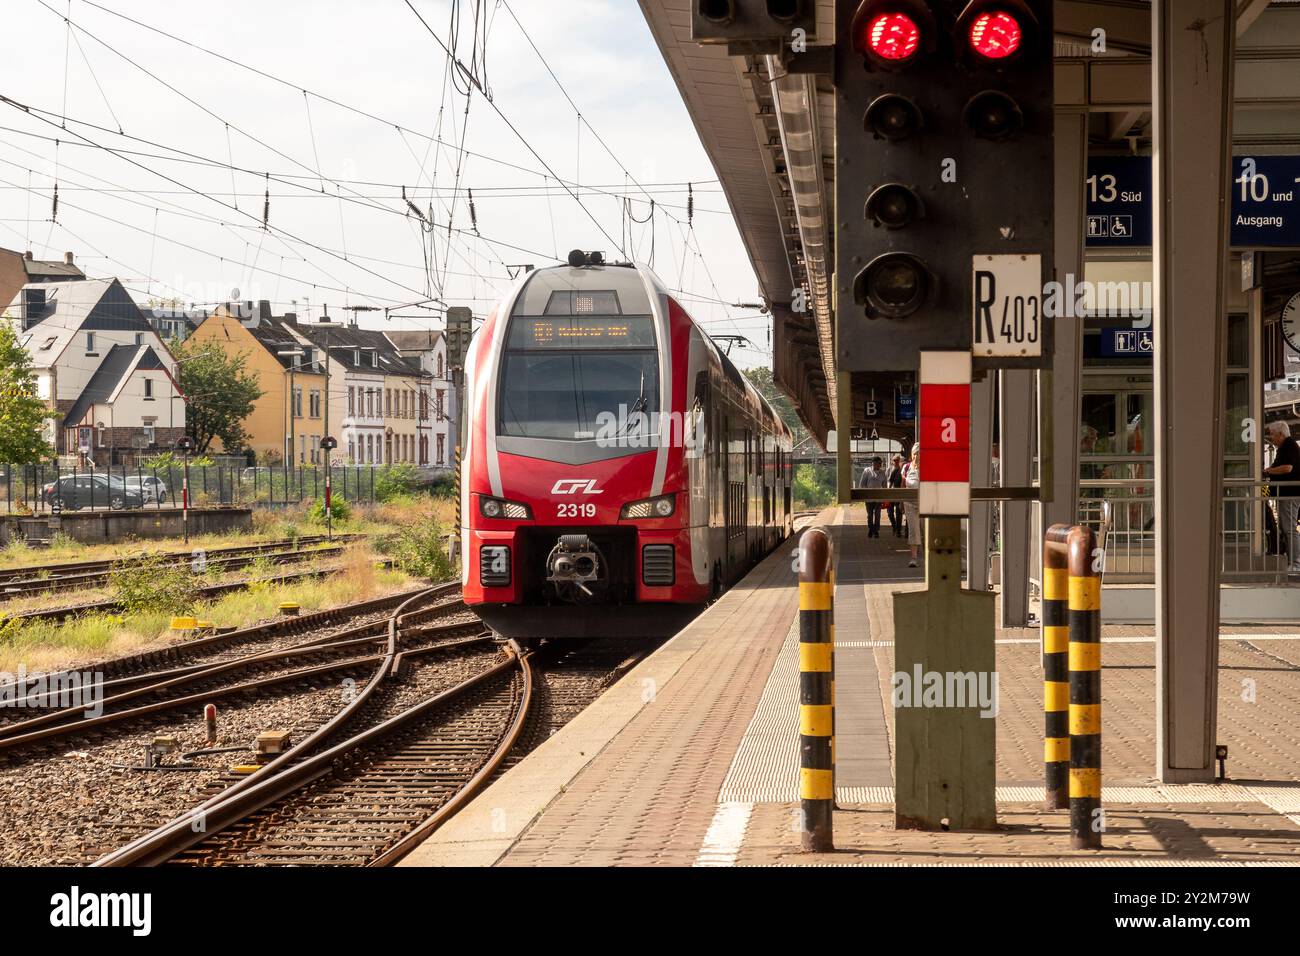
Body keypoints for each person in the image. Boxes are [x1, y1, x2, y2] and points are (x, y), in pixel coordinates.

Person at [1265, 420, 1300, 577]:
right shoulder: (1284, 448)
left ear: (1281, 434)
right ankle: (1292, 562)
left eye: (1272, 434)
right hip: (1285, 494)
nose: (1271, 438)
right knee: (1286, 528)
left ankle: (1296, 563)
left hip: (1290, 494)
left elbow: (1287, 468)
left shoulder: (1290, 446)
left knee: (1290, 529)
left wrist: (1268, 471)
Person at [903, 443, 921, 567]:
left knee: (926, 529)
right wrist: (900, 501)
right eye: (915, 454)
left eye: (919, 454)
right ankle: (913, 558)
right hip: (909, 503)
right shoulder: (906, 467)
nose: (916, 456)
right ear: (911, 455)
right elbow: (903, 485)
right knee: (913, 530)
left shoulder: (930, 466)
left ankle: (929, 555)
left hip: (926, 502)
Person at [860, 456, 887, 538]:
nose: (880, 465)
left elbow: (884, 485)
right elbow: (862, 484)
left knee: (878, 514)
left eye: (880, 463)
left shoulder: (882, 472)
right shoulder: (867, 471)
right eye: (879, 463)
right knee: (870, 514)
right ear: (874, 463)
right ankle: (870, 529)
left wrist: (885, 495)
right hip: (869, 497)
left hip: (878, 497)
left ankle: (876, 530)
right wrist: (865, 493)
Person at [887, 454, 905, 537]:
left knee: (898, 513)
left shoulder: (903, 470)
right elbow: (890, 482)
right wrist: (888, 494)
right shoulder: (893, 470)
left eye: (897, 461)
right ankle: (894, 526)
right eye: (894, 461)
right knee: (890, 512)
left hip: (900, 494)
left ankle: (898, 531)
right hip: (893, 494)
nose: (896, 462)